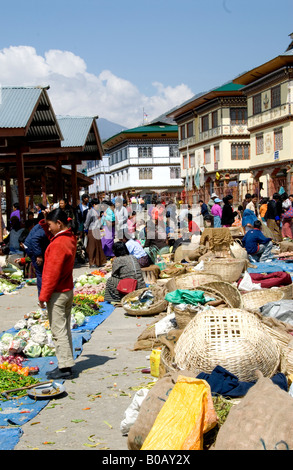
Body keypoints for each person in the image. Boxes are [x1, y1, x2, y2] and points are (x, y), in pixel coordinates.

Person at [38, 208, 77, 380]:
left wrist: (43, 296)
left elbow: (51, 274)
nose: (48, 228)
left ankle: (64, 367)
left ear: (59, 223)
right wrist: (45, 219)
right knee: (64, 329)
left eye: (50, 225)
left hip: (58, 292)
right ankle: (67, 363)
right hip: (67, 290)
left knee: (58, 331)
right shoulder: (69, 238)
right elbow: (50, 232)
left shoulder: (58, 244)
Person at [22, 218, 50, 295]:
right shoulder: (45, 228)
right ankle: (42, 296)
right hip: (32, 248)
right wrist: (39, 255)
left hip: (34, 247)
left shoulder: (46, 224)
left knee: (42, 272)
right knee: (40, 272)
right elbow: (35, 239)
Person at [84, 198, 106, 268]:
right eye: (97, 204)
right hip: (91, 229)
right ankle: (92, 262)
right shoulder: (90, 211)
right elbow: (87, 221)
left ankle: (99, 262)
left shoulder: (99, 211)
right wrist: (85, 229)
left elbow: (100, 221)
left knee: (98, 246)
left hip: (98, 230)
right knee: (92, 247)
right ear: (93, 204)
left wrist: (102, 228)